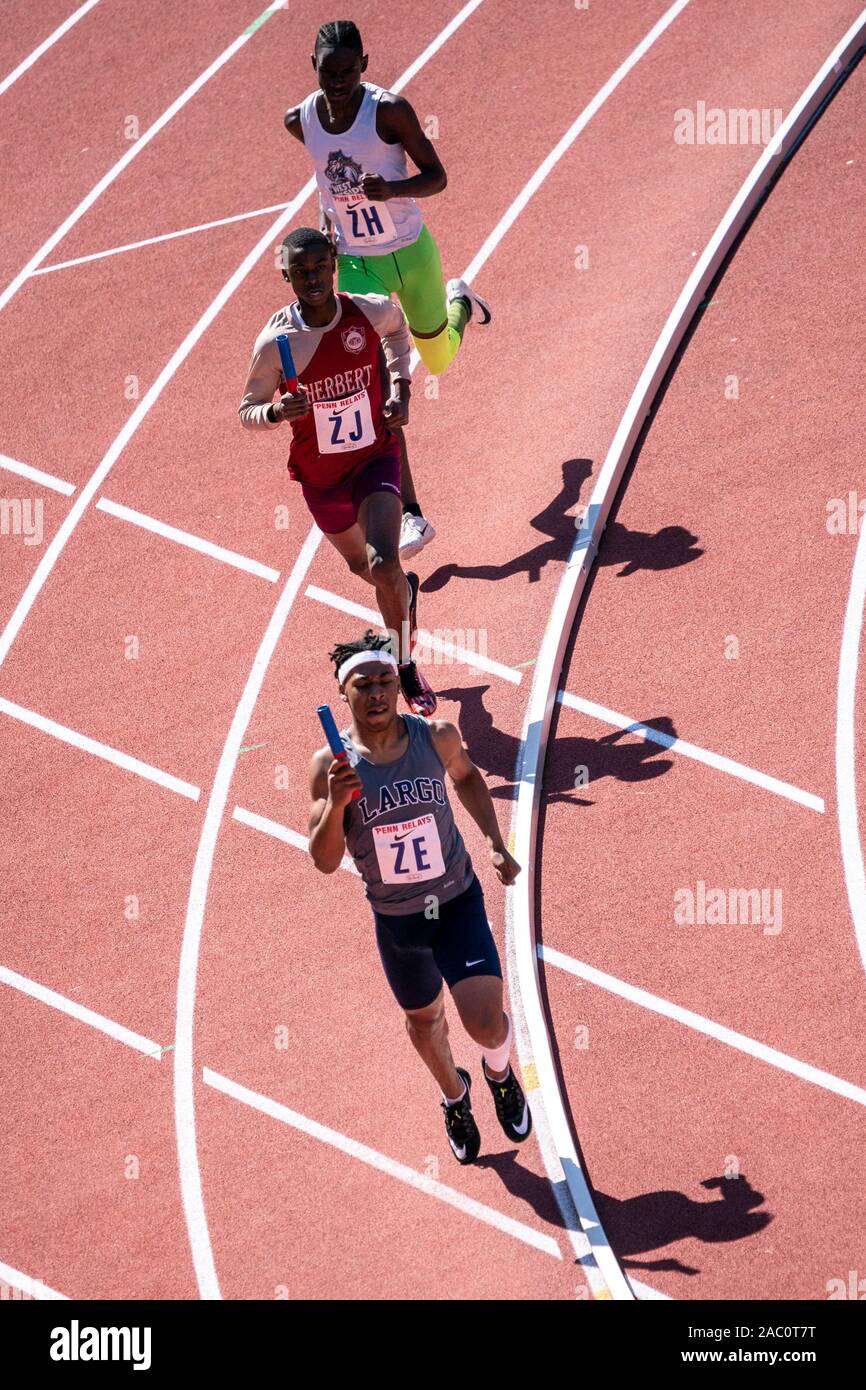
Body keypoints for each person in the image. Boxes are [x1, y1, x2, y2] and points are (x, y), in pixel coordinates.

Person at [308, 630, 531, 1163]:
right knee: (424, 1022)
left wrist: (495, 843)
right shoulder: (330, 765)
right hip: (399, 921)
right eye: (365, 684)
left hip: (456, 901)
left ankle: (498, 1073)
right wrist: (337, 805)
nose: (379, 692)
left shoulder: (438, 736)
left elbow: (469, 779)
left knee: (485, 1021)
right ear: (345, 693)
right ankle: (455, 1096)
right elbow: (323, 859)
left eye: (386, 680)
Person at [284, 18, 492, 560]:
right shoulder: (300, 120)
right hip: (356, 266)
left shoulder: (389, 111)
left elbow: (438, 176)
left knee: (438, 360)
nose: (337, 82)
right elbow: (324, 182)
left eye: (348, 71)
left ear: (364, 66)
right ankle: (411, 514)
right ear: (313, 68)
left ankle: (461, 303)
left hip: (410, 254)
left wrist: (391, 188)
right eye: (328, 72)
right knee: (377, 388)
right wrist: (331, 222)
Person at [239, 226, 436, 716]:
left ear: (333, 264)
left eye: (319, 268)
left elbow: (398, 329)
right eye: (300, 272)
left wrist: (401, 387)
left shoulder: (366, 309)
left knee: (385, 562)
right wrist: (277, 414)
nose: (312, 279)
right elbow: (248, 410)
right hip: (321, 478)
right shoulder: (277, 342)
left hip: (374, 458)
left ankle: (404, 663)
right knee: (365, 569)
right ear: (286, 274)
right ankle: (402, 594)